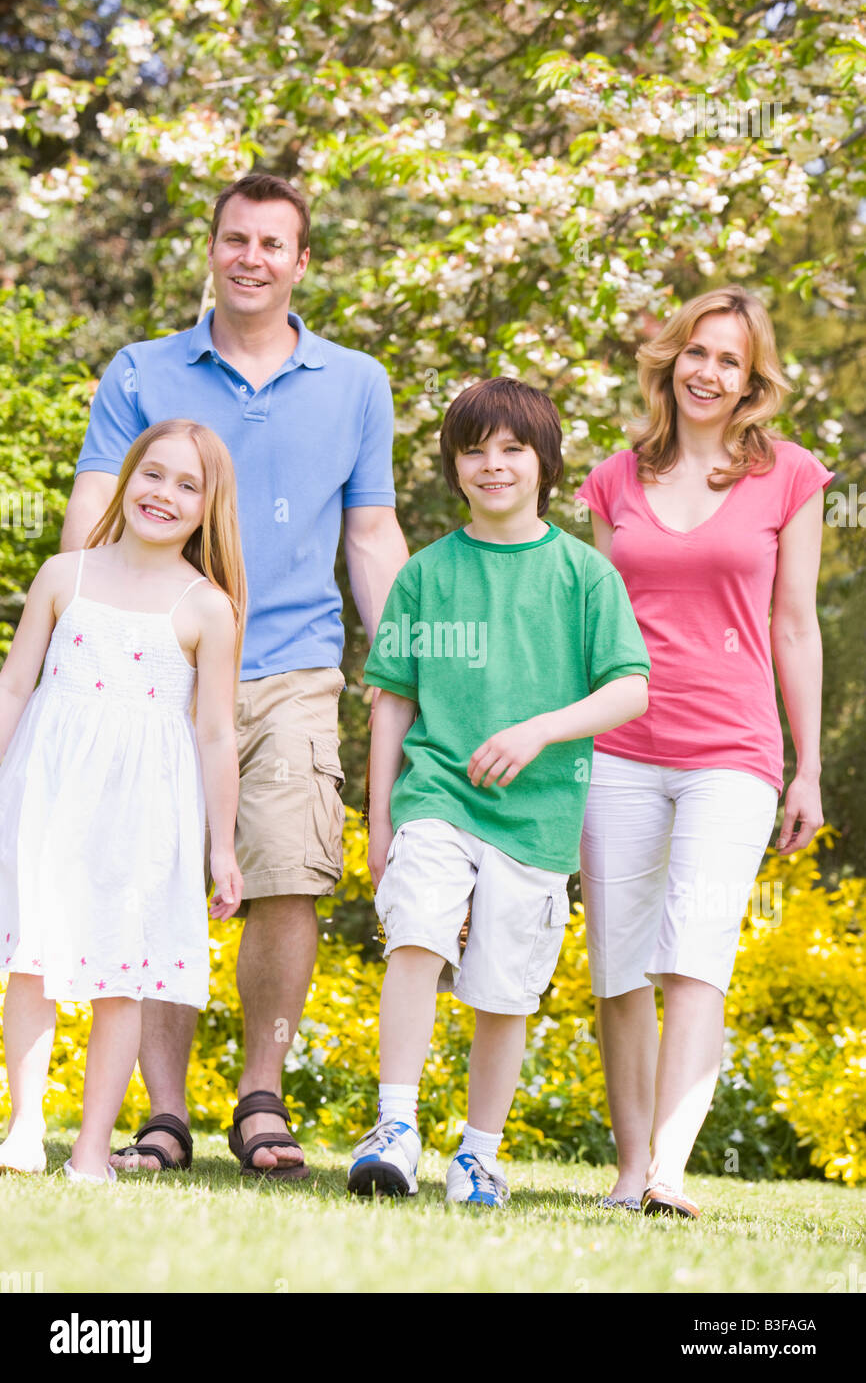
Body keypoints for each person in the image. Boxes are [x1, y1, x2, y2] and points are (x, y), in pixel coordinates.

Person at [61, 173, 408, 1179]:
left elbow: (372, 534)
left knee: (289, 874)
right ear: (210, 250)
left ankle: (262, 1092)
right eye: (234, 240)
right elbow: (93, 513)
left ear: (302, 264)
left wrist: (400, 671)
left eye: (272, 245)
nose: (250, 258)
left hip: (295, 665)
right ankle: (163, 1113)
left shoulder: (356, 383)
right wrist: (73, 646)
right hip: (158, 665)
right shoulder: (140, 370)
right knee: (158, 872)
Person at [349, 376, 650, 1206]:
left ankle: (478, 1153)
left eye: (513, 448)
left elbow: (631, 689)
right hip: (437, 795)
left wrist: (538, 729)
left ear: (545, 462)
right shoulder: (423, 576)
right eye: (475, 449)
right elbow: (393, 704)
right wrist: (380, 822)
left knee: (503, 985)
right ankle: (395, 1128)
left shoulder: (586, 577)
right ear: (453, 464)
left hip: (538, 817)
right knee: (416, 933)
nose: (494, 464)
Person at [576, 286, 833, 1219]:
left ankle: (668, 1172)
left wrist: (809, 765)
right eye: (695, 352)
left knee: (697, 955)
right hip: (620, 747)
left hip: (734, 748)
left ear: (752, 378)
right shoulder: (613, 479)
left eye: (729, 359)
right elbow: (592, 628)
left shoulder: (790, 475)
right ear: (669, 360)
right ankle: (627, 1165)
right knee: (619, 964)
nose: (708, 372)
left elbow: (795, 626)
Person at [0, 419, 244, 1182]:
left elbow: (214, 736)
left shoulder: (206, 607)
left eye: (187, 485)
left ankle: (89, 1148)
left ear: (209, 508)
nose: (163, 494)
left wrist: (222, 847)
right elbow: (14, 685)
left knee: (120, 976)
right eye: (152, 474)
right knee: (33, 959)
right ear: (127, 476)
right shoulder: (63, 576)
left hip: (144, 813)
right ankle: (26, 1124)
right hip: (50, 791)